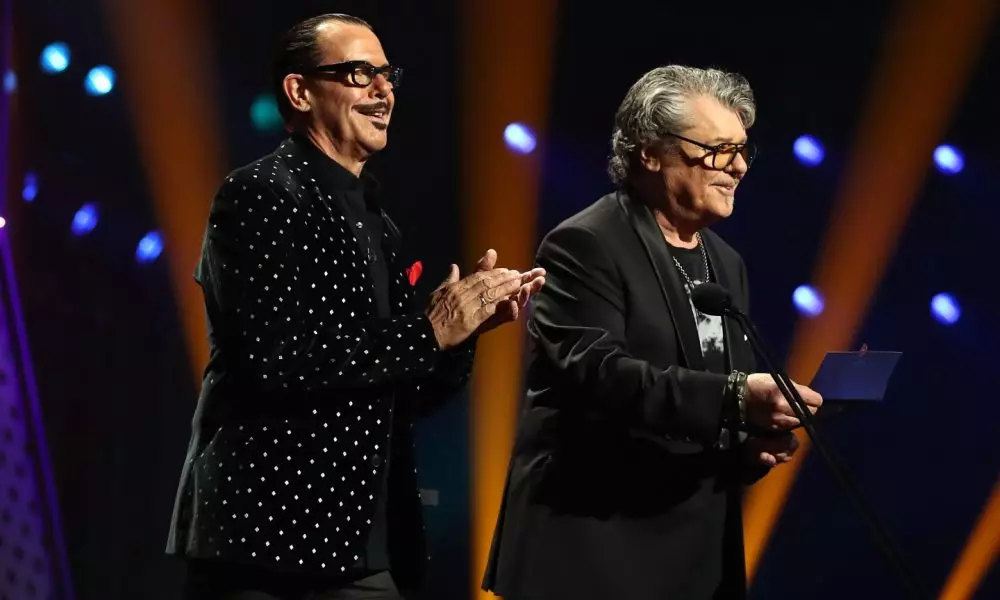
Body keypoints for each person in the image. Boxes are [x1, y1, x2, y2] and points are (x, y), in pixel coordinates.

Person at [165, 13, 545, 600]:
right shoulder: (259, 194)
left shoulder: (379, 225)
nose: (384, 90)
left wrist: (462, 333)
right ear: (299, 91)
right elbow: (274, 363)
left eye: (387, 75)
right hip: (267, 542)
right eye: (359, 73)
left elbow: (400, 394)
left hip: (361, 544)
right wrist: (429, 331)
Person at [482, 65, 823, 600]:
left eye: (742, 151)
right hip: (594, 551)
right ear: (648, 152)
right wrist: (736, 397)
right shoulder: (586, 243)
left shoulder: (725, 262)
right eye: (716, 149)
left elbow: (701, 396)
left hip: (692, 556)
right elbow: (598, 374)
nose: (736, 167)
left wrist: (744, 449)